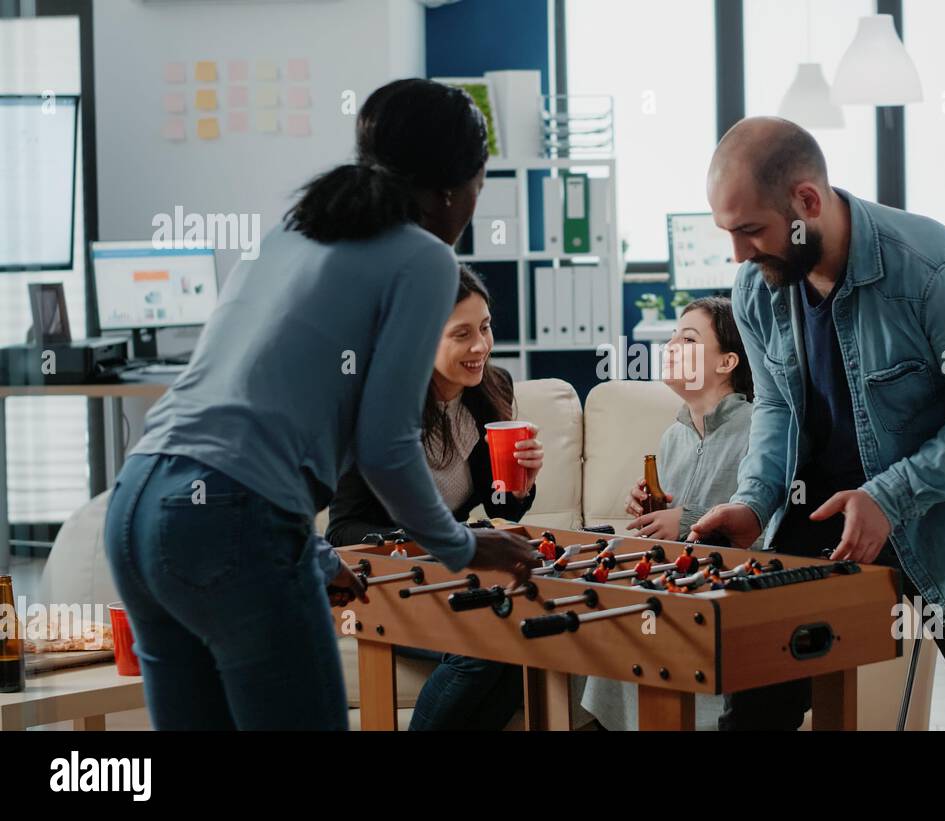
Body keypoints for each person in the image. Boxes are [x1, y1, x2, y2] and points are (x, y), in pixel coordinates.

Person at [103, 79, 538, 731]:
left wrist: (314, 556)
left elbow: (243, 415)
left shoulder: (293, 232)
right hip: (229, 518)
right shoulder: (425, 257)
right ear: (454, 187)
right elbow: (385, 441)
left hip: (136, 505)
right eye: (480, 183)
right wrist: (462, 546)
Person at [689, 117, 945, 731]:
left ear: (806, 202)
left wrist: (888, 497)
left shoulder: (937, 271)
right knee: (755, 713)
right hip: (822, 522)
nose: (737, 255)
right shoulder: (755, 288)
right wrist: (755, 503)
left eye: (751, 230)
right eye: (727, 233)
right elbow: (779, 407)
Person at [326, 264, 543, 731]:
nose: (480, 346)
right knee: (480, 649)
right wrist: (434, 539)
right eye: (461, 334)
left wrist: (521, 482)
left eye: (484, 327)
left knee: (522, 645)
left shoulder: (493, 386)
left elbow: (501, 506)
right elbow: (341, 531)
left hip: (455, 575)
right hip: (385, 580)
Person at [581, 296, 755, 731]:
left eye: (688, 338)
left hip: (725, 596)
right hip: (670, 589)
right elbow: (667, 523)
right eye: (673, 335)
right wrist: (649, 512)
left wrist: (687, 518)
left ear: (728, 361)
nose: (671, 344)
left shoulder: (757, 428)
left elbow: (767, 525)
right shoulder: (673, 436)